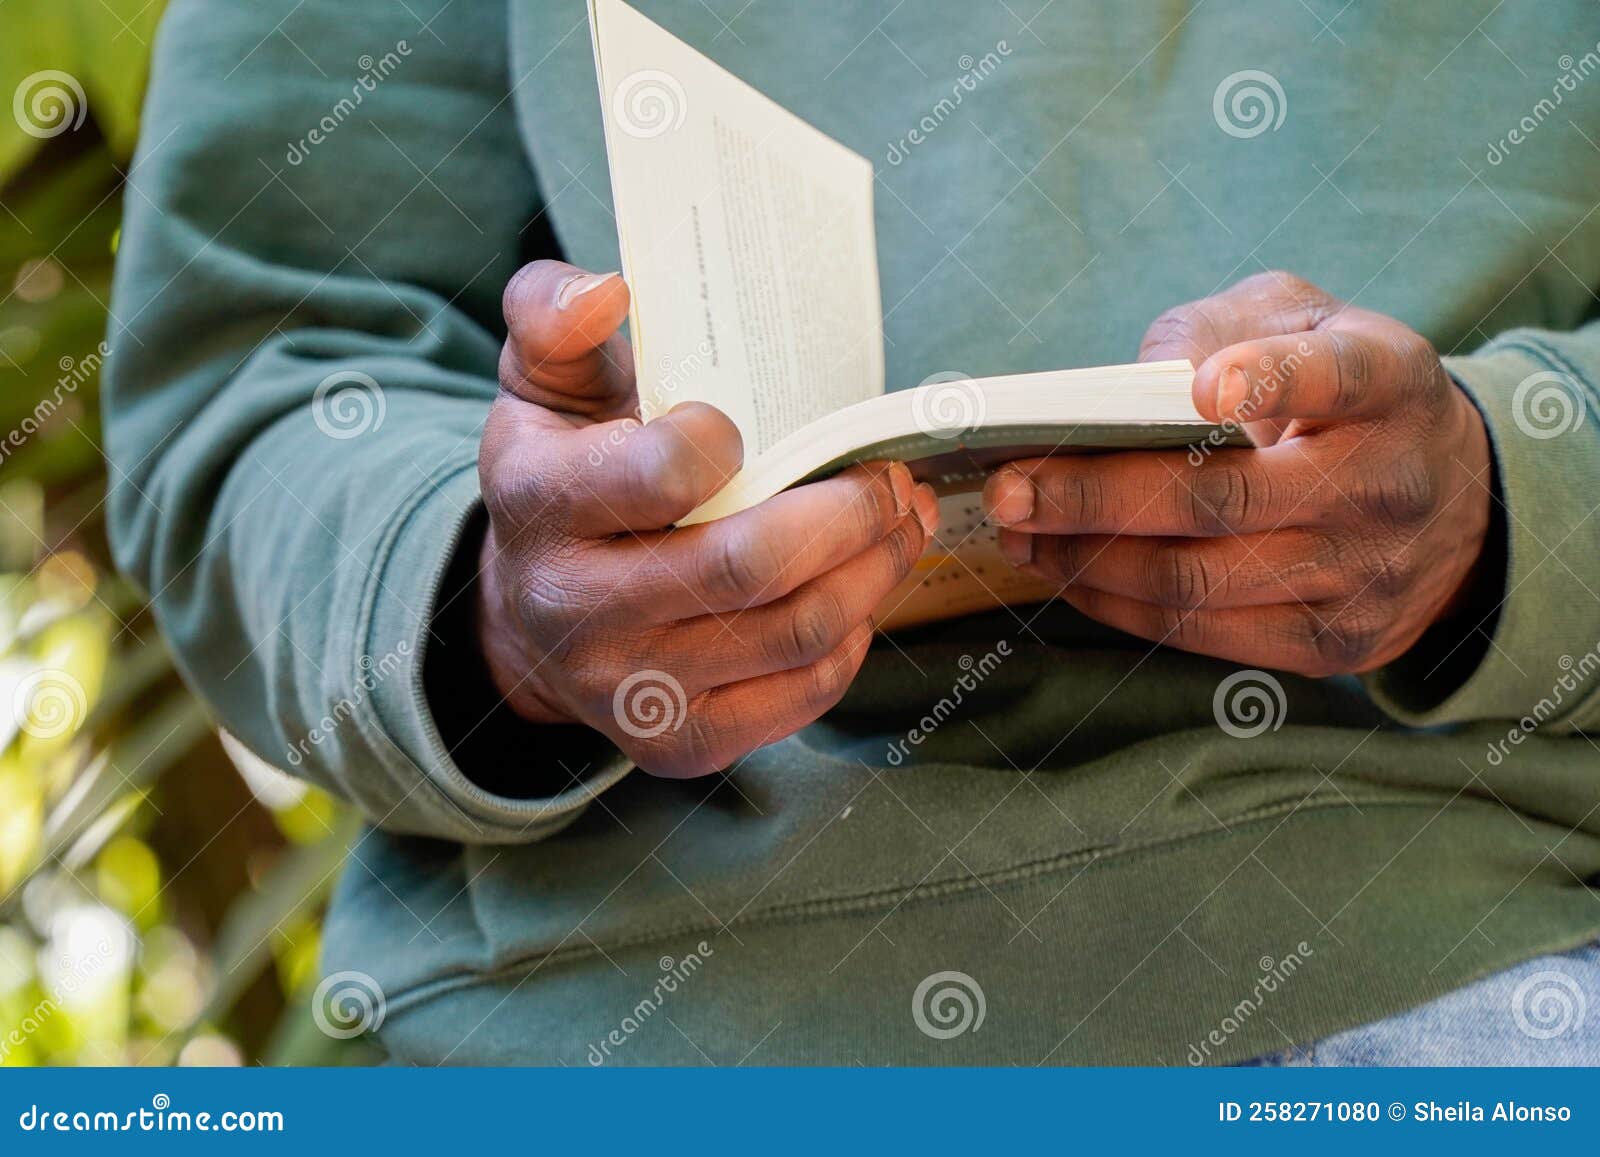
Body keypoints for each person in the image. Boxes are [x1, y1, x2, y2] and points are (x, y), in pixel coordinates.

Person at [104, 0, 1600, 1065]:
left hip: (1470, 946)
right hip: (630, 1009)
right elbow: (267, 367)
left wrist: (1505, 499)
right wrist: (504, 610)